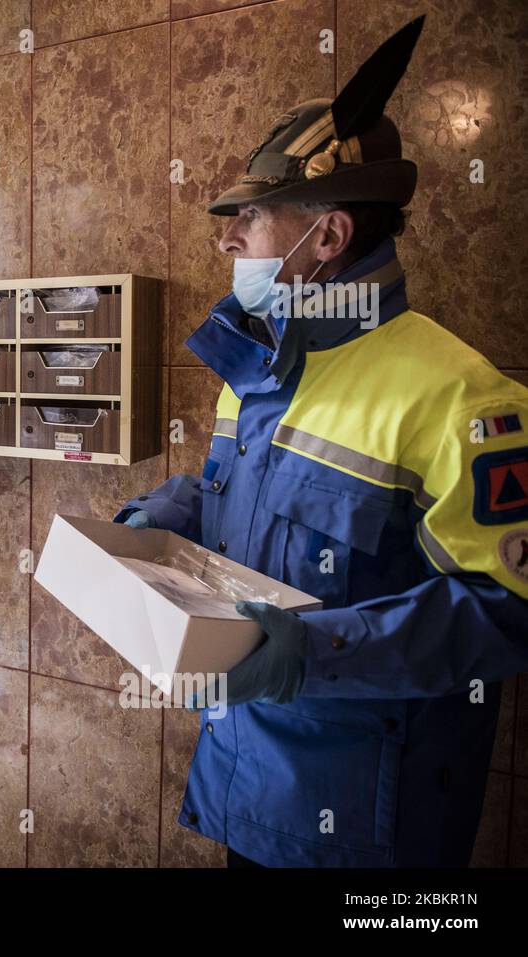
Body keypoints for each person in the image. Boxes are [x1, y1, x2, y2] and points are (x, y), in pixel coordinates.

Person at [118, 15, 528, 867]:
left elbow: (505, 614)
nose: (228, 240)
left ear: (328, 237)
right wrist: (172, 511)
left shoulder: (459, 397)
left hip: (370, 828)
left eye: (252, 221)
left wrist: (316, 652)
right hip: (247, 787)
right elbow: (245, 498)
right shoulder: (256, 367)